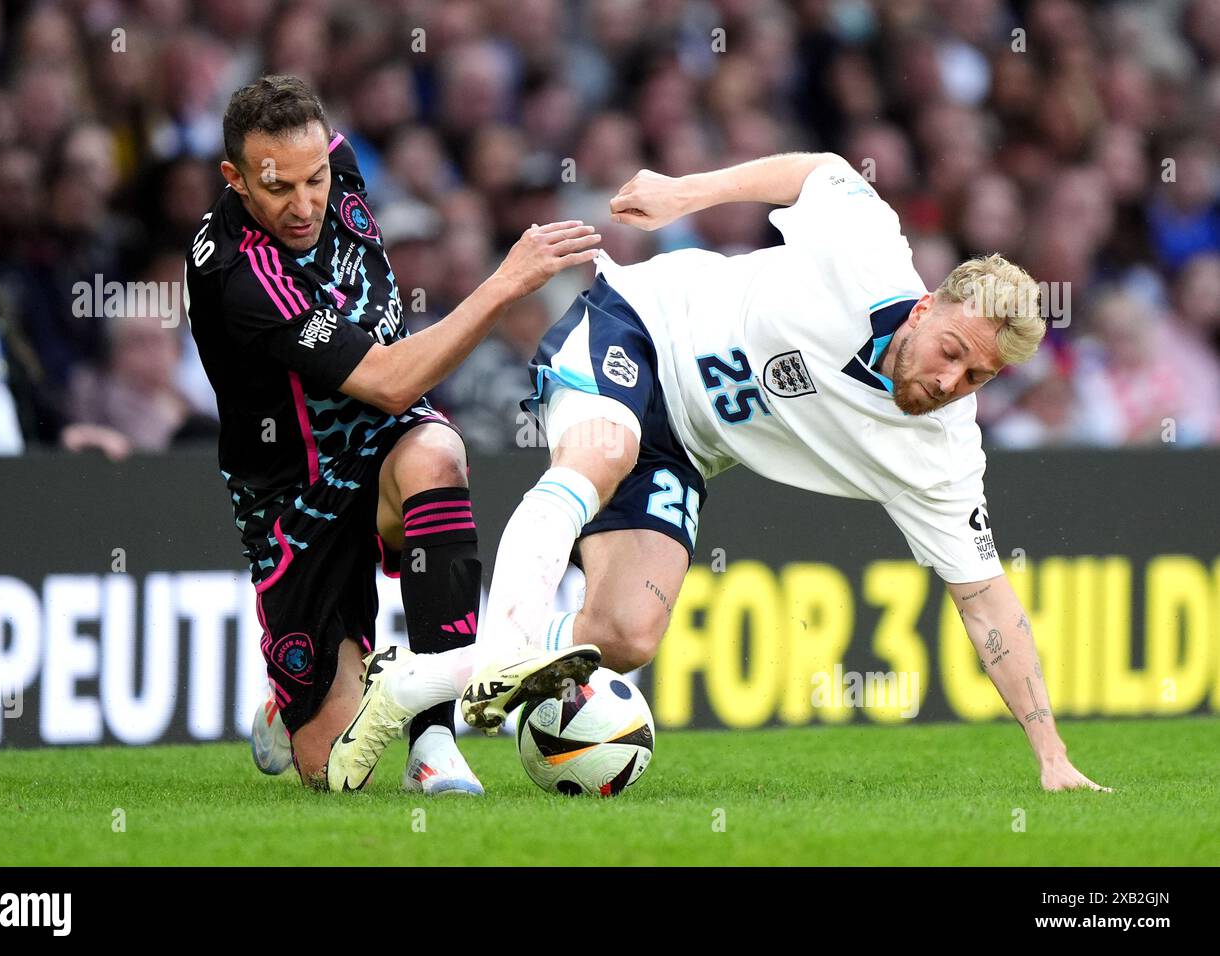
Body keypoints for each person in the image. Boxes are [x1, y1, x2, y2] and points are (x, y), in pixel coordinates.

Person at [349, 152, 1109, 793]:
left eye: (978, 377)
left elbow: (987, 604)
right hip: (639, 324)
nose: (952, 383)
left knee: (627, 634)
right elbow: (818, 169)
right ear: (923, 309)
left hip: (685, 440)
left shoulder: (940, 453)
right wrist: (684, 192)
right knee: (603, 451)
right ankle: (510, 638)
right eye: (952, 352)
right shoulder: (870, 252)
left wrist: (1052, 757)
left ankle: (412, 682)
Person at [184, 75, 601, 793]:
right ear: (236, 179)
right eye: (279, 187)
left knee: (439, 452)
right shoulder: (239, 273)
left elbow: (392, 403)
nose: (305, 204)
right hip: (294, 496)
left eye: (316, 180)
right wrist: (503, 285)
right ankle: (296, 705)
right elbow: (388, 380)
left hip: (379, 442)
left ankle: (433, 743)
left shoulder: (337, 163)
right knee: (333, 770)